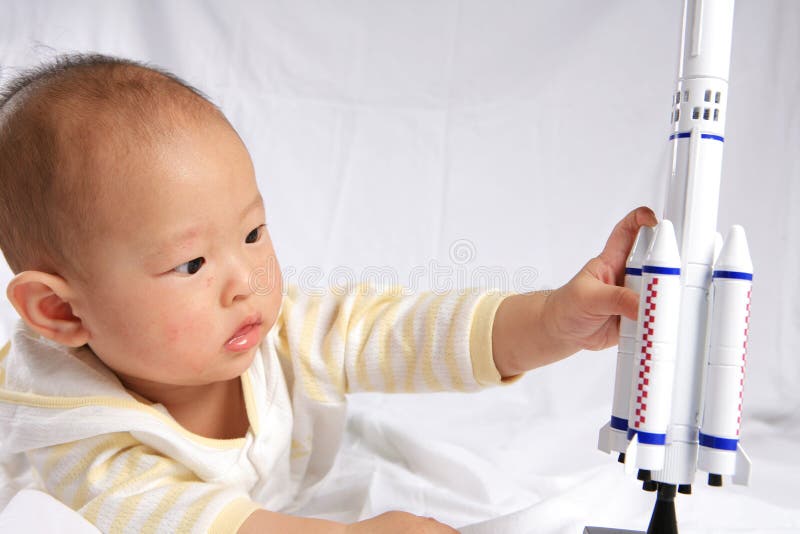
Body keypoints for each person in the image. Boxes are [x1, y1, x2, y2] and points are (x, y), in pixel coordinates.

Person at [0, 53, 657, 533]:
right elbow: (188, 522)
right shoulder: (72, 435)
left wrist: (553, 320)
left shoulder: (271, 332)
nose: (247, 281)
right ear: (61, 311)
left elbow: (404, 335)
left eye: (254, 232)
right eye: (193, 263)